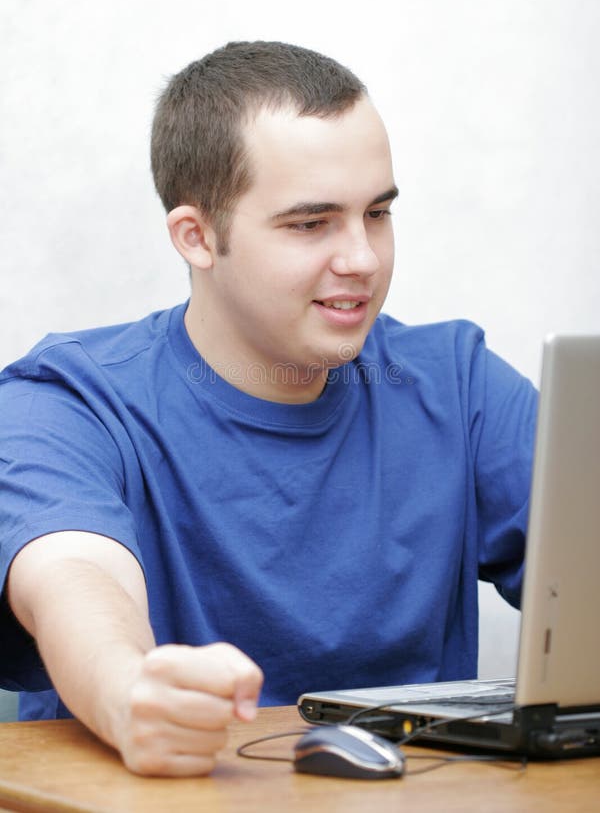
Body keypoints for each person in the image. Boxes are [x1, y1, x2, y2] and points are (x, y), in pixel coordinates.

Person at [0, 41, 537, 776]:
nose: (364, 259)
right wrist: (126, 688)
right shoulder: (68, 402)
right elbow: (73, 576)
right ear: (197, 237)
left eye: (378, 212)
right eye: (311, 223)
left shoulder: (458, 382)